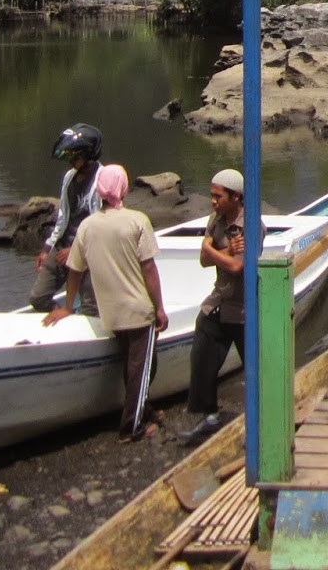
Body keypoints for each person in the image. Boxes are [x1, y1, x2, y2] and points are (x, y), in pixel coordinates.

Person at [42, 163, 168, 441]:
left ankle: (144, 410)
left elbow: (74, 270)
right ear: (123, 189)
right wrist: (158, 307)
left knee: (135, 365)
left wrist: (67, 305)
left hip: (108, 312)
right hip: (137, 311)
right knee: (143, 368)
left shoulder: (87, 226)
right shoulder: (137, 221)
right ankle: (130, 428)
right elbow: (149, 269)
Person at [180, 168, 246, 444]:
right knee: (202, 360)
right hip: (218, 304)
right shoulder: (215, 221)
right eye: (212, 195)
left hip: (244, 309)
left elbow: (237, 266)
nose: (213, 201)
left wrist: (212, 250)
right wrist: (224, 251)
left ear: (236, 197)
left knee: (256, 368)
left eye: (218, 196)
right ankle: (209, 417)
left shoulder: (250, 225)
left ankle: (264, 419)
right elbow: (204, 261)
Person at [29, 123, 104, 314]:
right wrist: (48, 247)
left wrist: (77, 249)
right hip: (64, 246)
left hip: (88, 250)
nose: (71, 161)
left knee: (90, 306)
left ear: (87, 154)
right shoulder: (70, 177)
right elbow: (63, 216)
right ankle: (65, 316)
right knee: (38, 297)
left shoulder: (102, 179)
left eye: (75, 156)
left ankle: (84, 326)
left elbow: (100, 225)